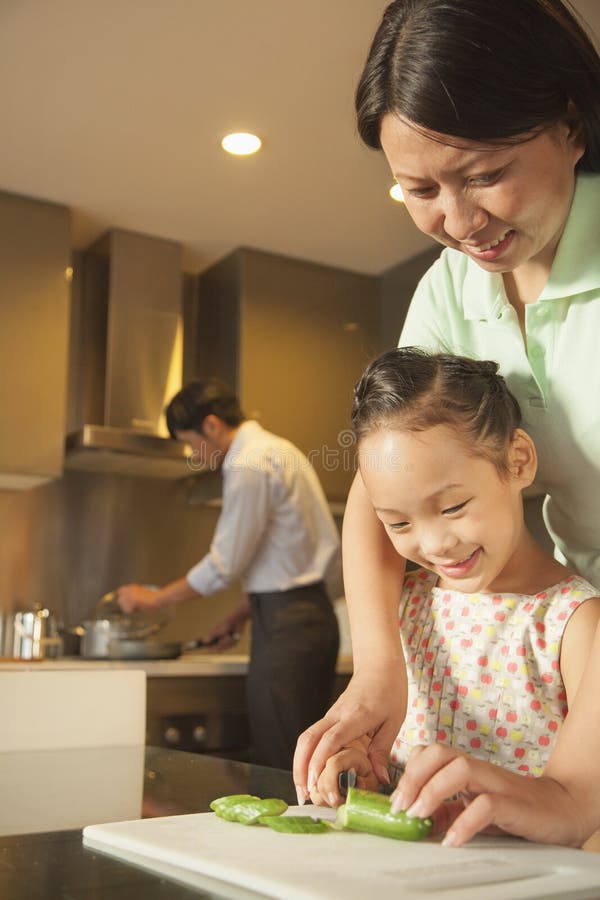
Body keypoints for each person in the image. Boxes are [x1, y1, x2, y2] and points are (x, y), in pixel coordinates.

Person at [294, 0, 600, 844]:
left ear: (571, 122)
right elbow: (384, 478)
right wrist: (378, 674)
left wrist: (578, 790)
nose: (459, 224)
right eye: (420, 189)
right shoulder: (454, 285)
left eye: (484, 173)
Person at [306, 348, 600, 848]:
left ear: (518, 460)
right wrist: (370, 778)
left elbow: (578, 810)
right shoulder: (405, 606)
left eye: (454, 506)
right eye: (398, 523)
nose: (435, 544)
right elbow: (407, 783)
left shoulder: (576, 624)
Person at [118, 379, 341, 770]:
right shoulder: (279, 450)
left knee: (282, 762)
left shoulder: (248, 463)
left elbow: (224, 565)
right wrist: (240, 615)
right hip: (309, 618)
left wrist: (151, 598)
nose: (194, 454)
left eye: (191, 443)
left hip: (287, 629)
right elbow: (285, 560)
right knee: (304, 759)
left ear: (211, 425)